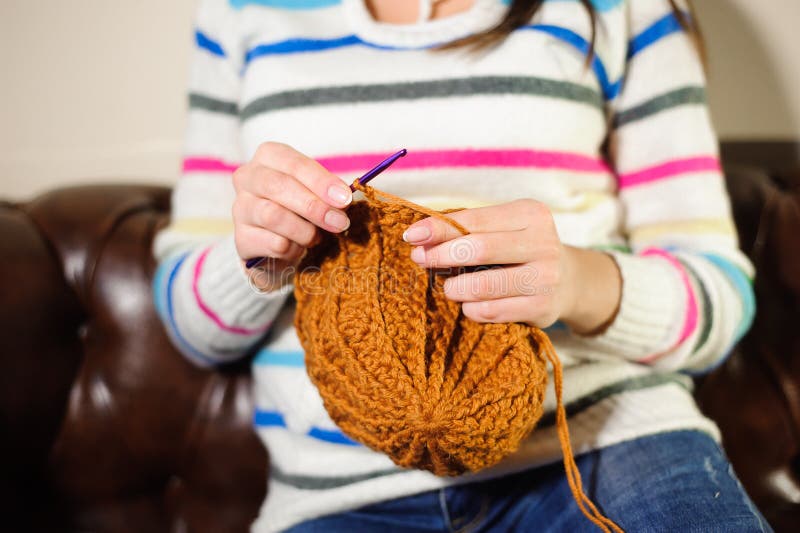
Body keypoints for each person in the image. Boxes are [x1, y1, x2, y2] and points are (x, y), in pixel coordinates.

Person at [152, 0, 769, 531]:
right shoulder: (243, 14)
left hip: (603, 443)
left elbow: (722, 295)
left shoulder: (620, 8)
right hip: (336, 489)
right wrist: (263, 257)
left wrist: (577, 282)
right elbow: (189, 327)